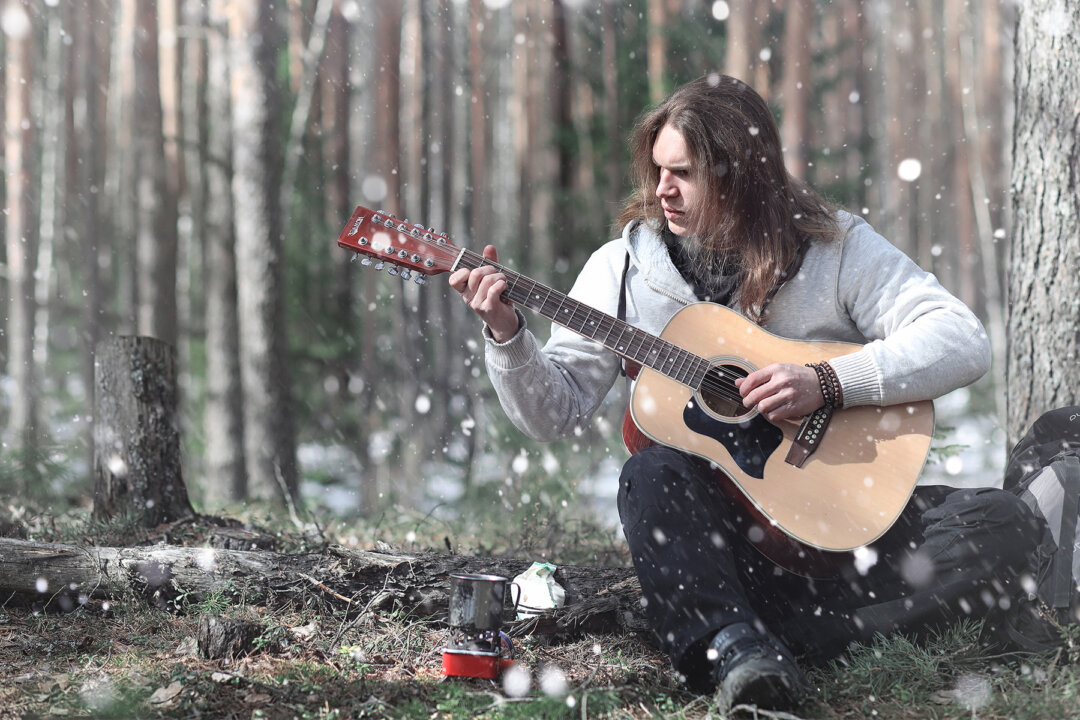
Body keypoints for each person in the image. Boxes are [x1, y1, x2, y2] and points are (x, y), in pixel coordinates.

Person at [448, 74, 1042, 711]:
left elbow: (960, 338)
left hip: (843, 524)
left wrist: (829, 381)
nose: (661, 191)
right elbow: (554, 412)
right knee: (649, 474)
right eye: (656, 170)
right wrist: (507, 335)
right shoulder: (620, 270)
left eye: (683, 173)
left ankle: (772, 632)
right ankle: (741, 651)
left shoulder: (833, 248)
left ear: (740, 174)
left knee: (1005, 522)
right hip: (728, 541)